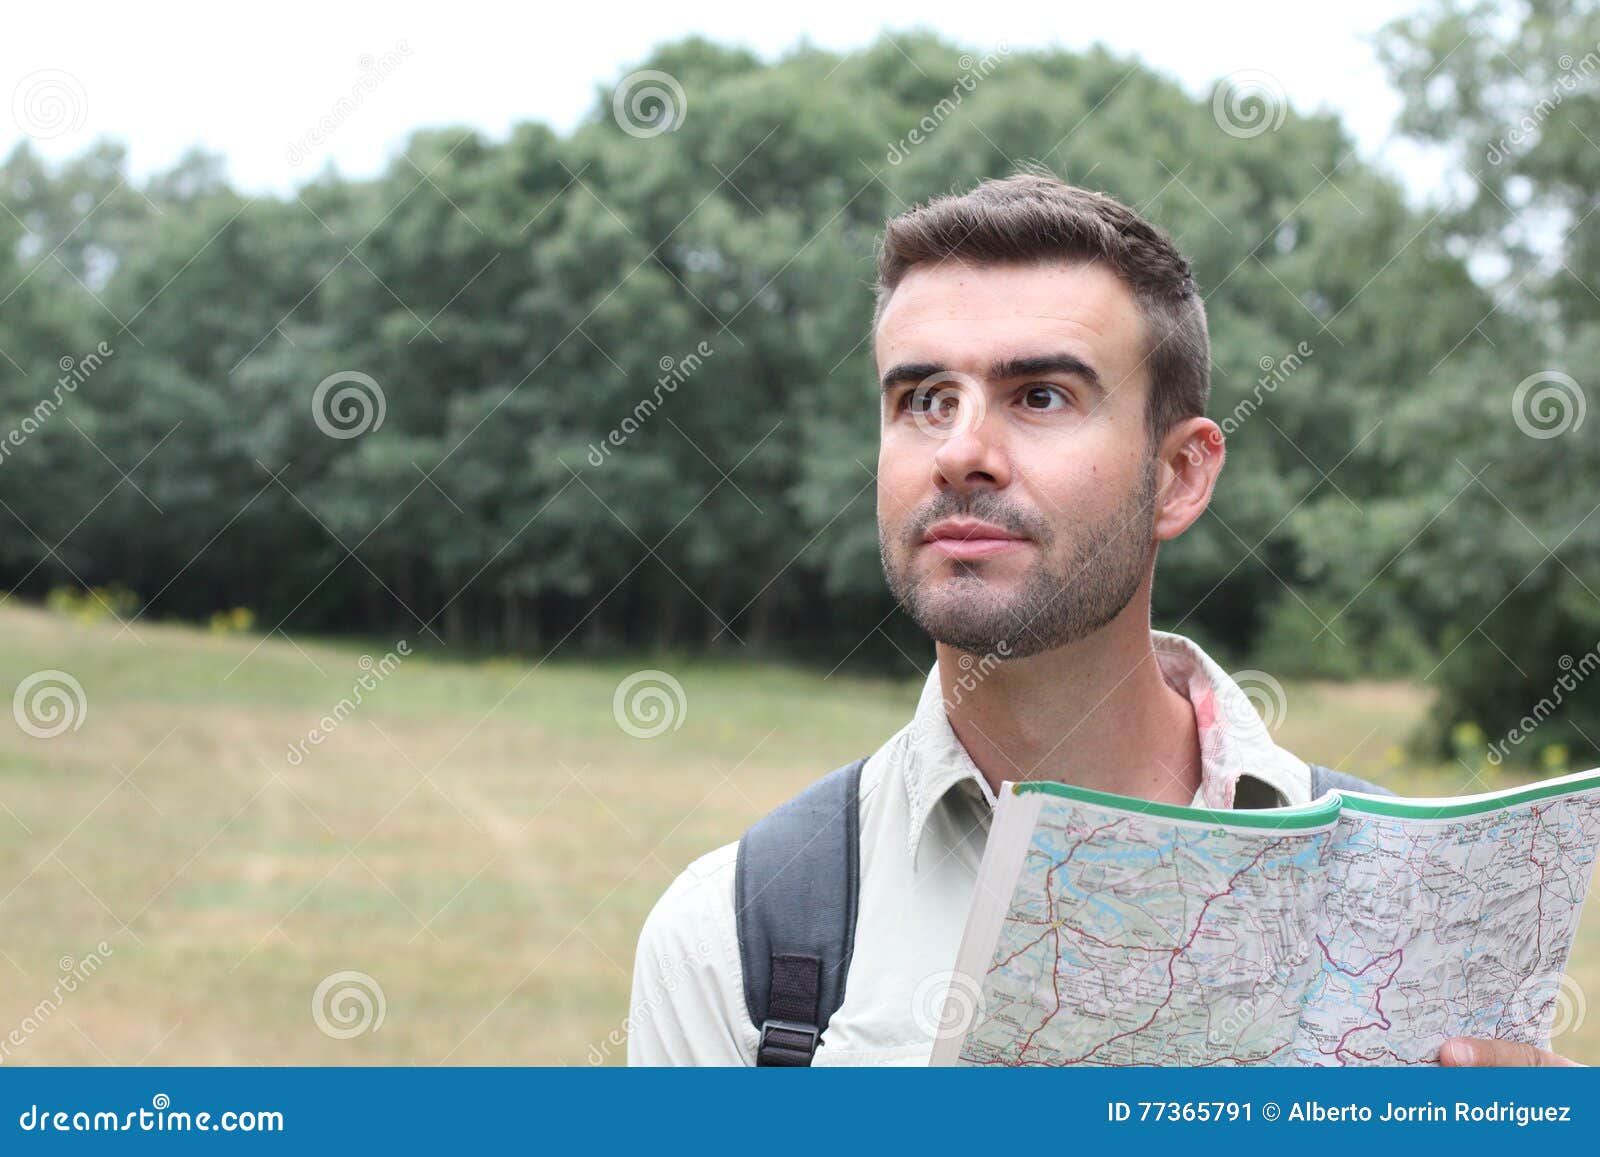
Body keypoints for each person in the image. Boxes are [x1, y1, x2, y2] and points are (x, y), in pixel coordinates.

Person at [626, 170, 1578, 1068]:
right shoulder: (735, 939)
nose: (962, 451)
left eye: (1039, 395)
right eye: (922, 399)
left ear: (1181, 474)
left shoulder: (1412, 904)